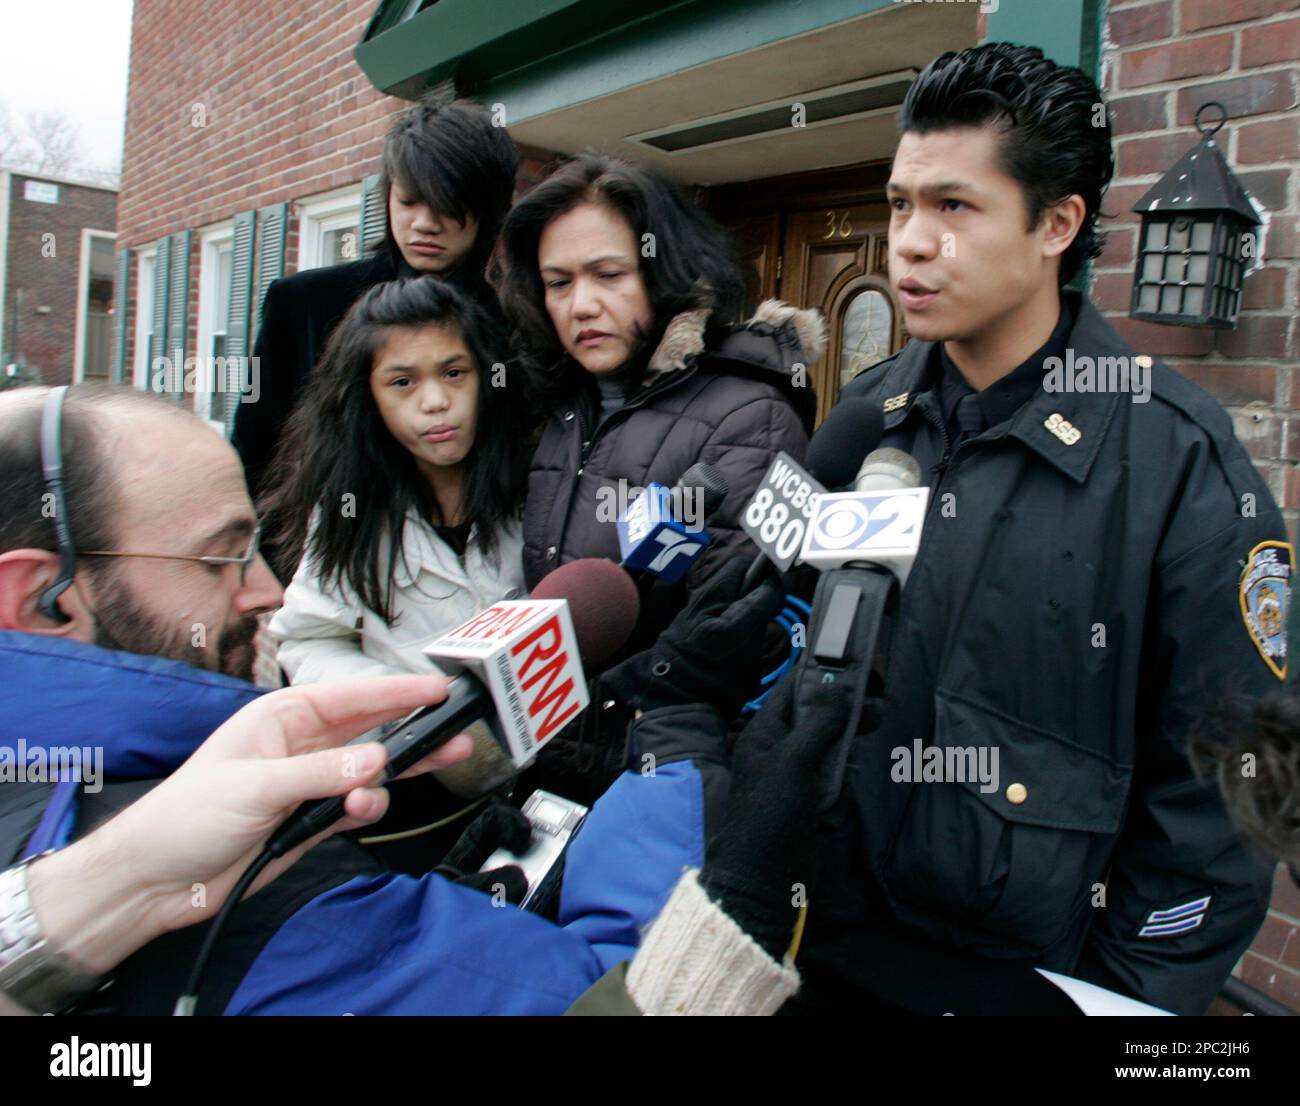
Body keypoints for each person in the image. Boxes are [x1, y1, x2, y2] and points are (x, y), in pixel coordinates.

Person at [748, 42, 1288, 1017]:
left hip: (1022, 983)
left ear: (1055, 223)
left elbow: (1219, 807)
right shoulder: (864, 415)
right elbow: (744, 626)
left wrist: (1111, 1004)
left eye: (953, 206)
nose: (907, 240)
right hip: (817, 943)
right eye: (900, 201)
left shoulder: (1178, 466)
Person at [493, 153, 821, 799]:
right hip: (542, 767)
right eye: (558, 283)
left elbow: (729, 636)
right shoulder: (557, 410)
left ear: (665, 271)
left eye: (608, 274)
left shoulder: (747, 415)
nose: (581, 304)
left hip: (654, 774)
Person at [259, 277, 530, 861]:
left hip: (541, 789)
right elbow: (307, 642)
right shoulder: (349, 514)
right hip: (414, 806)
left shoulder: (534, 490)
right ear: (369, 397)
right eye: (403, 382)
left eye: (454, 373)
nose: (434, 401)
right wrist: (419, 713)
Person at [231, 95, 519, 520]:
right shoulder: (305, 302)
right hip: (326, 554)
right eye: (408, 201)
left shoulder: (514, 319)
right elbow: (256, 452)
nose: (424, 223)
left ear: (489, 212)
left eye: (448, 207)